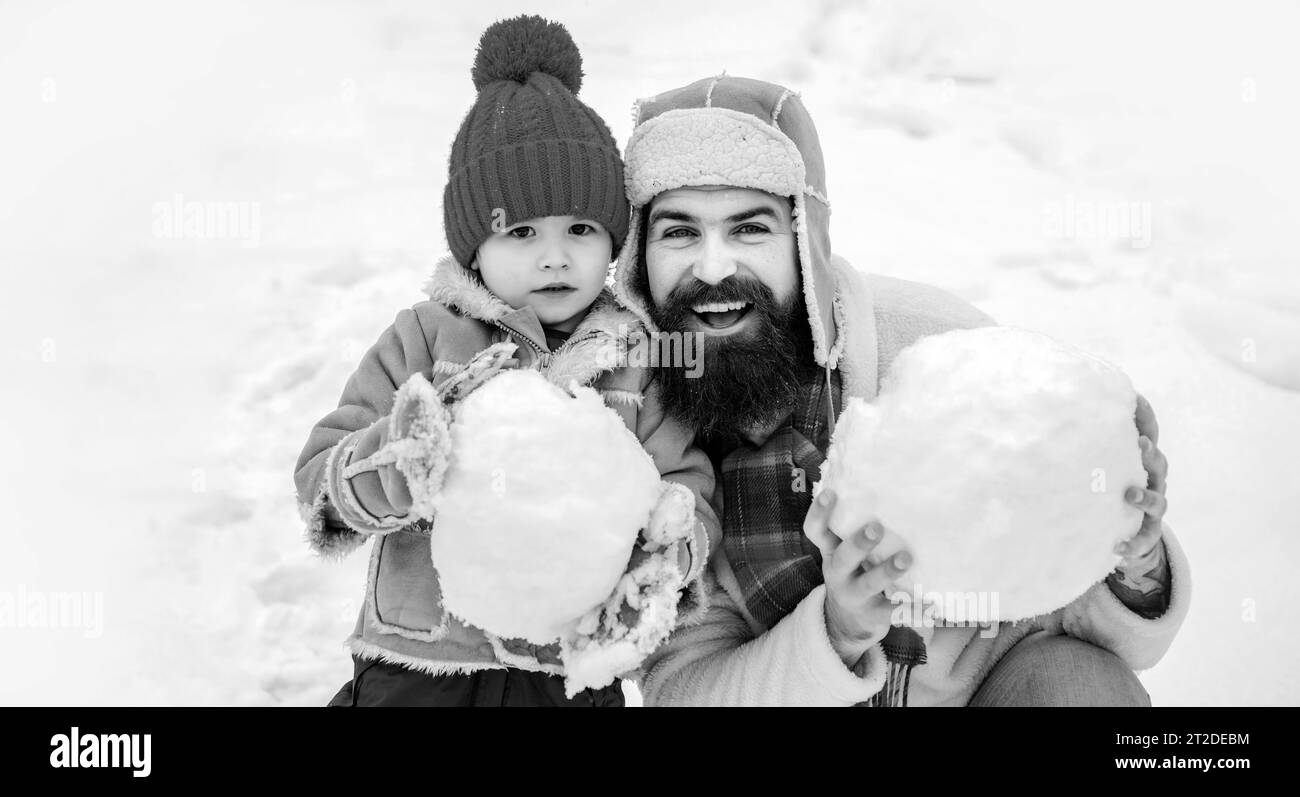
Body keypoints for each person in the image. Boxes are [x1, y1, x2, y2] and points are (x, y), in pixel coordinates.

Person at [609, 74, 1190, 706]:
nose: (714, 267)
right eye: (680, 232)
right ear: (640, 257)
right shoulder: (634, 419)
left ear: (805, 241)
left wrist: (1128, 558)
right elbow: (684, 690)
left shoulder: (934, 347)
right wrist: (839, 630)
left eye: (751, 229)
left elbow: (1110, 644)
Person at [292, 17, 718, 707]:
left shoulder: (635, 359)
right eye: (520, 233)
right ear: (473, 247)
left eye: (580, 229)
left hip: (568, 671)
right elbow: (321, 483)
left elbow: (685, 484)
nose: (555, 255)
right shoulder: (424, 342)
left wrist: (670, 545)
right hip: (420, 666)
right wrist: (396, 464)